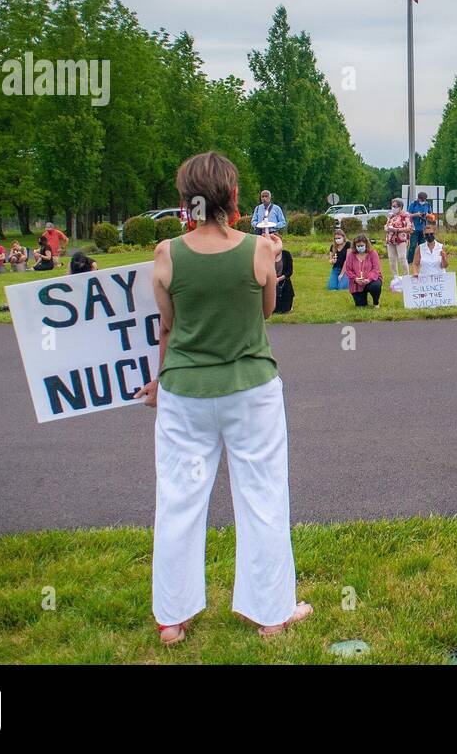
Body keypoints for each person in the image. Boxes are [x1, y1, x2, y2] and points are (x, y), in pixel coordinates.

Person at [138, 151, 309, 646]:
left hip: (185, 391)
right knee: (263, 497)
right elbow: (269, 309)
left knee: (178, 500)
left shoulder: (166, 253)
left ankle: (172, 618)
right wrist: (271, 260)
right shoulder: (258, 250)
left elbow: (168, 326)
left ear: (184, 200)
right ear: (234, 198)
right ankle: (271, 612)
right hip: (251, 389)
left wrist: (158, 379)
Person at [343, 233, 383, 307]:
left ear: (366, 244)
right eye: (358, 246)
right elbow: (348, 270)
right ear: (355, 246)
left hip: (371, 281)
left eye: (362, 246)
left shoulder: (373, 253)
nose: (360, 247)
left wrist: (368, 279)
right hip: (356, 283)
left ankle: (376, 302)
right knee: (360, 306)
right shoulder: (351, 255)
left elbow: (376, 269)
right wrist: (355, 279)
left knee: (375, 286)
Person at [384, 198, 412, 278]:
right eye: (392, 206)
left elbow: (409, 228)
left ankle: (406, 276)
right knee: (392, 259)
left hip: (401, 240)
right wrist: (386, 228)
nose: (393, 208)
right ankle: (395, 276)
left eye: (395, 206)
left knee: (402, 258)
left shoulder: (406, 215)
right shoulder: (391, 215)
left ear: (400, 207)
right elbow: (386, 225)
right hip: (390, 240)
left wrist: (397, 230)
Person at [408, 190, 432, 262]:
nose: (423, 201)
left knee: (422, 246)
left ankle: (421, 260)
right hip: (414, 228)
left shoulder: (427, 204)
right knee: (413, 245)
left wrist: (427, 215)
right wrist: (416, 214)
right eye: (421, 200)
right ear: (418, 199)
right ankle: (410, 260)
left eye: (424, 200)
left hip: (423, 228)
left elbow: (431, 215)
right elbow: (408, 215)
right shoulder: (413, 204)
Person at [274, 246, 295, 314]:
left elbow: (290, 271)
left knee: (285, 309)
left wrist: (278, 279)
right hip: (271, 282)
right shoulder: (267, 254)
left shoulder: (286, 254)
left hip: (284, 282)